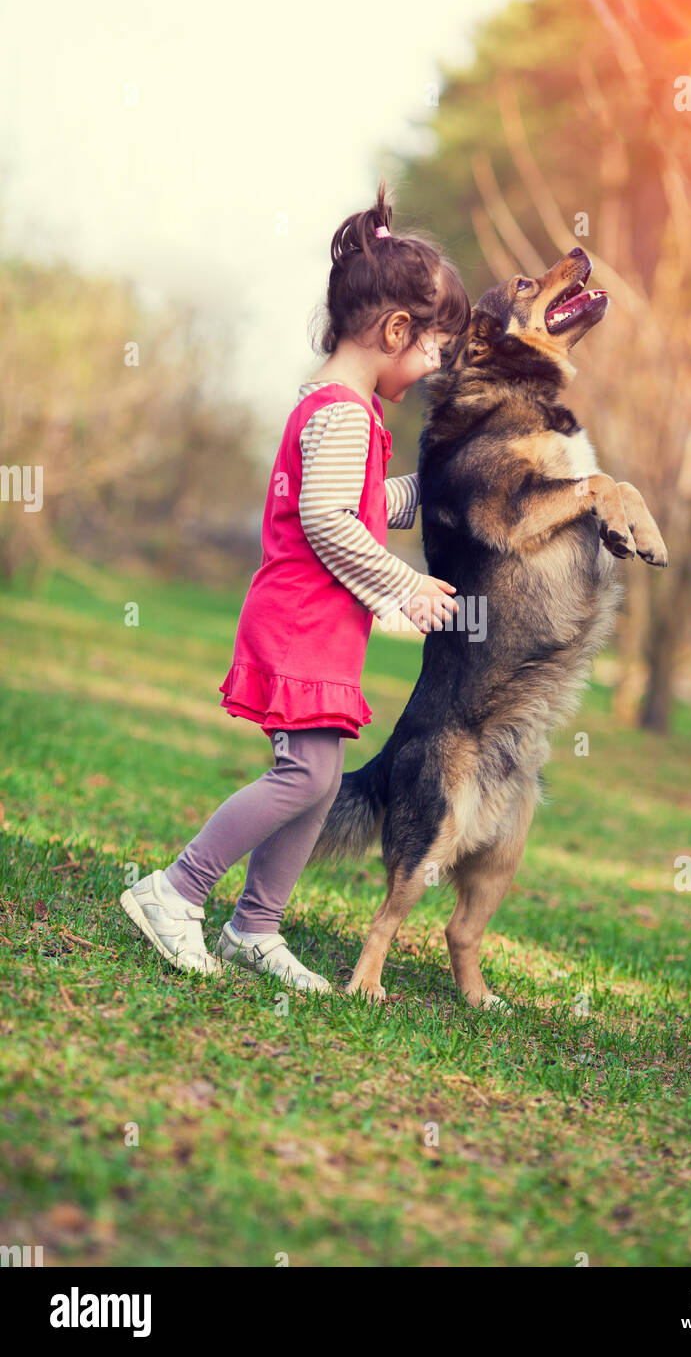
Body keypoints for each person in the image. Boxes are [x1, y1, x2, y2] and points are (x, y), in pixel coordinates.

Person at [120, 181, 469, 991]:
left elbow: (360, 503)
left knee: (317, 777)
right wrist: (403, 584)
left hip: (317, 626)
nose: (431, 368)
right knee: (305, 777)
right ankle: (175, 890)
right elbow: (329, 522)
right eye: (432, 350)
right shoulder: (345, 413)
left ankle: (257, 926)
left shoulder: (343, 408)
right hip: (298, 621)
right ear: (394, 330)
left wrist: (425, 490)